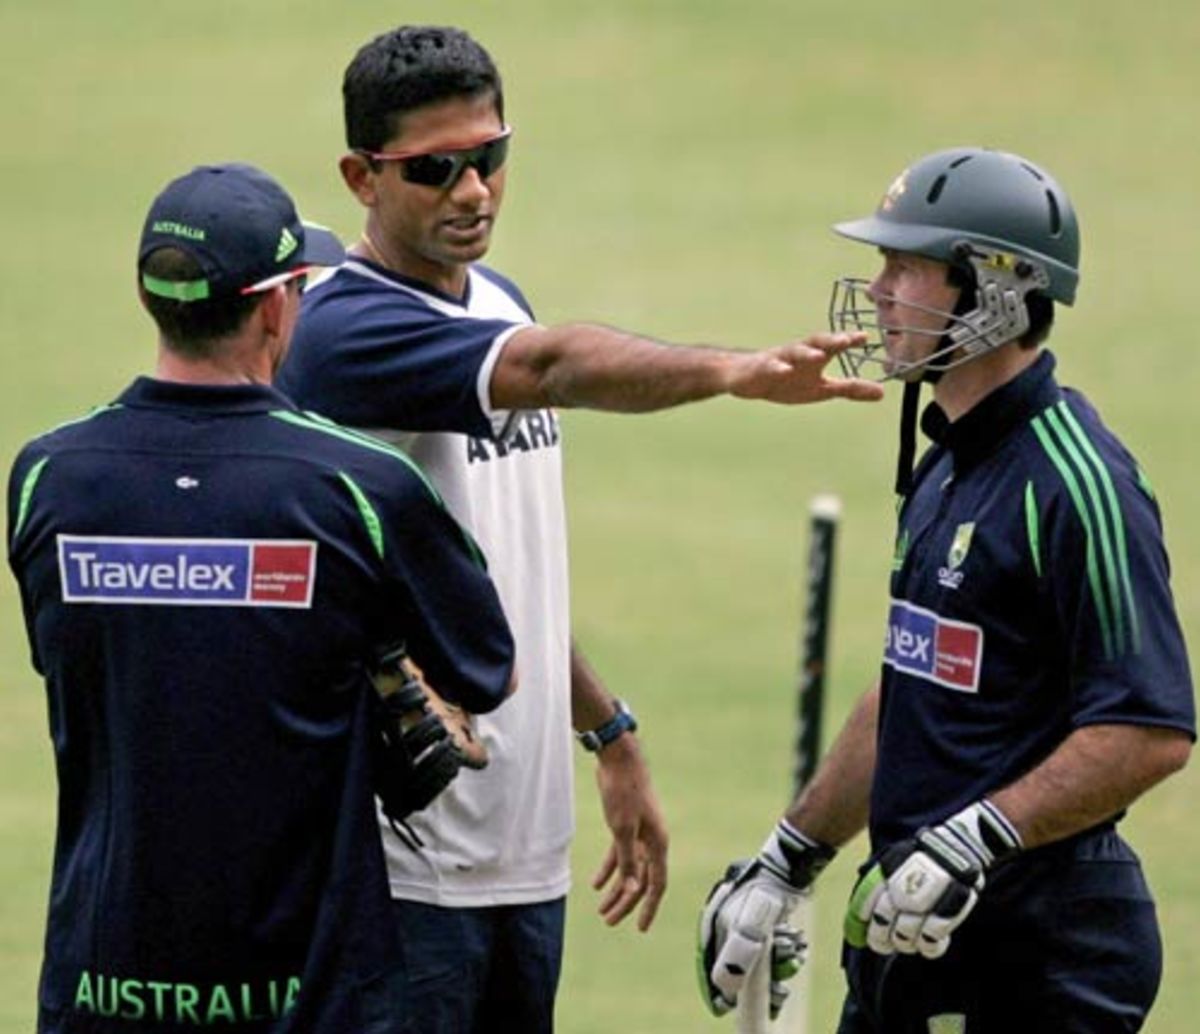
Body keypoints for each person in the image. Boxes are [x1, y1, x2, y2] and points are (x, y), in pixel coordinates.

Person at [275, 24, 882, 1032]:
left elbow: (498, 580)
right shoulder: (345, 330)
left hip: (522, 855)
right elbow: (554, 368)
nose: (473, 192)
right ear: (360, 177)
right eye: (435, 169)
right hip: (406, 871)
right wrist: (733, 371)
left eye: (491, 157)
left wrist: (607, 727)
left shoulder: (496, 301)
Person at [7, 162, 516, 1033]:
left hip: (100, 991)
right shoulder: (361, 487)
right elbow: (483, 663)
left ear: (151, 298)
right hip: (310, 999)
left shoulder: (46, 478)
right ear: (279, 304)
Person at [697, 147, 1195, 1033]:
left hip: (1044, 958)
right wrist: (790, 855)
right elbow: (911, 686)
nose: (881, 288)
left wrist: (982, 835)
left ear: (996, 291)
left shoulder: (1080, 484)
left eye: (909, 266)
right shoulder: (946, 463)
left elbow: (1149, 727)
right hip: (916, 941)